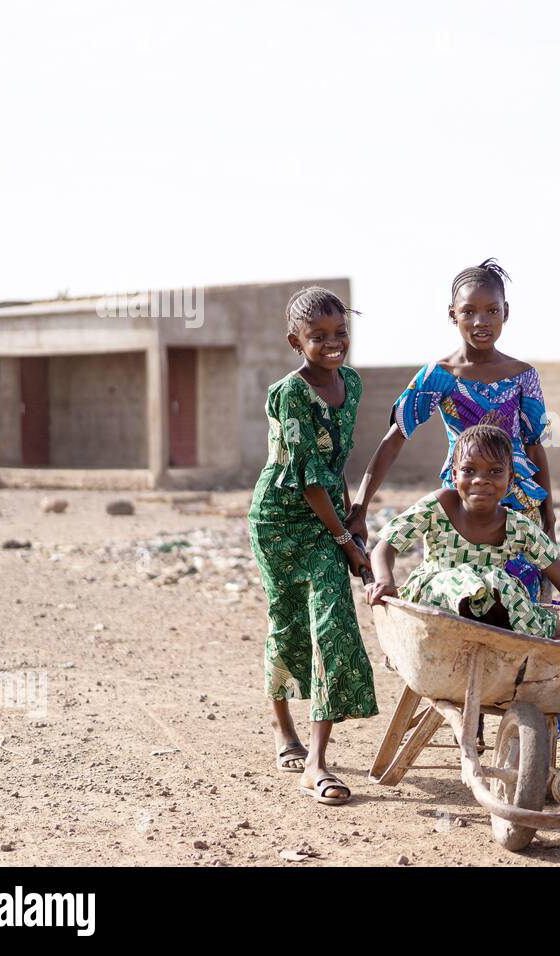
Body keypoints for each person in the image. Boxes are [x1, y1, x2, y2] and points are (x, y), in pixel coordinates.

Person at [345, 259, 555, 600]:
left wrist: (550, 519)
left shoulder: (523, 376)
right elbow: (394, 439)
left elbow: (534, 446)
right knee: (457, 591)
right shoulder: (440, 376)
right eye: (469, 311)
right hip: (461, 505)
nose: (481, 321)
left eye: (491, 310)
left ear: (506, 312)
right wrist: (360, 508)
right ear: (452, 314)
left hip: (517, 504)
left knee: (517, 598)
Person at [246, 286, 378, 806]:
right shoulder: (289, 392)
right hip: (280, 520)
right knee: (288, 623)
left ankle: (317, 762)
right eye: (318, 336)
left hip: (327, 518)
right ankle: (284, 731)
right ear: (295, 341)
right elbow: (306, 478)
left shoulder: (352, 383)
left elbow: (336, 464)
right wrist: (346, 540)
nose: (332, 343)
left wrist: (351, 524)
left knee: (333, 622)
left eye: (339, 332)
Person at [364, 424, 560, 641]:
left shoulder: (518, 527)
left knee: (502, 581)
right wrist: (385, 581)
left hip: (493, 604)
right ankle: (481, 635)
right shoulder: (440, 504)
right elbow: (385, 546)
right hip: (436, 604)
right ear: (454, 476)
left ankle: (499, 639)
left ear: (510, 479)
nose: (480, 480)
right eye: (468, 470)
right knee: (462, 578)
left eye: (494, 472)